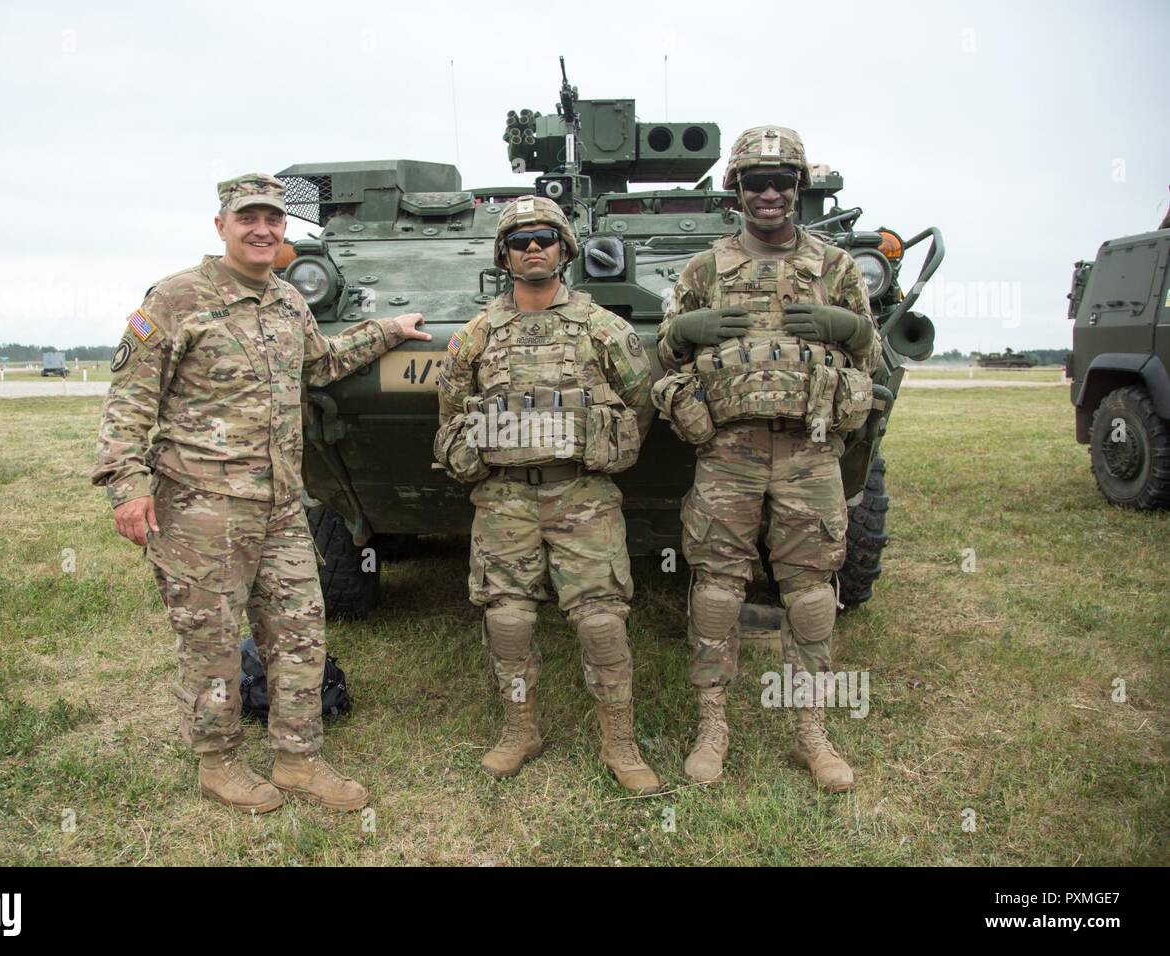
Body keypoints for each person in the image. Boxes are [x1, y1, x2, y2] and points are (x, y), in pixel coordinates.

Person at [92, 173, 430, 813]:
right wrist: (127, 487)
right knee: (212, 643)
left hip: (279, 507)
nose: (262, 229)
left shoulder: (285, 300)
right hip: (200, 509)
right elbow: (128, 402)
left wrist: (385, 331)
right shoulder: (173, 299)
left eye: (273, 220)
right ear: (221, 225)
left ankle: (298, 759)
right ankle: (218, 764)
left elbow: (321, 362)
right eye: (248, 217)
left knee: (300, 634)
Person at [654, 127, 881, 791]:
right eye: (757, 183)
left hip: (811, 448)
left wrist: (850, 329)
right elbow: (662, 359)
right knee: (718, 592)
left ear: (799, 187)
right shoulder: (704, 270)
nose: (771, 194)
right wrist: (683, 333)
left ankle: (812, 731)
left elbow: (871, 359)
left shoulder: (835, 267)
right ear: (738, 191)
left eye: (783, 181)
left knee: (811, 595)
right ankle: (712, 725)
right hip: (729, 451)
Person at [435, 196, 660, 794]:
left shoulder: (604, 328)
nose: (532, 248)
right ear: (502, 255)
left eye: (544, 237)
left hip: (582, 493)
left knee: (602, 624)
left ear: (565, 248)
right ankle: (520, 730)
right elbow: (453, 412)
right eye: (519, 240)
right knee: (507, 622)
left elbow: (640, 402)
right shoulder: (475, 337)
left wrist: (596, 443)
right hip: (504, 497)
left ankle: (620, 741)